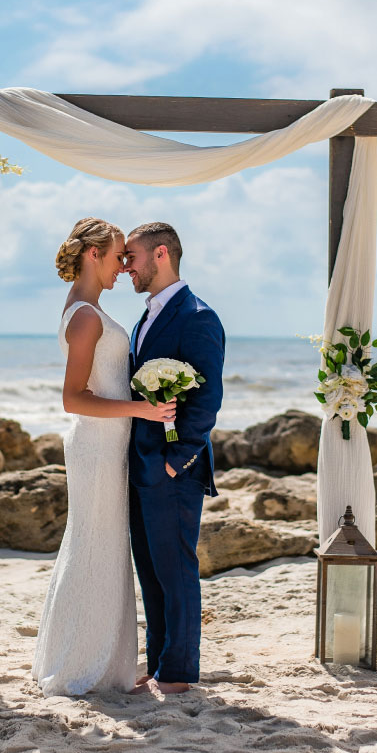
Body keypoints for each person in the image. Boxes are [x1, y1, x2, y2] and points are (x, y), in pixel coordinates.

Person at [32, 217, 176, 696]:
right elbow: (73, 397)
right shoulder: (87, 316)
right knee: (93, 548)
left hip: (109, 446)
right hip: (97, 447)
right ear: (93, 254)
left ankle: (101, 663)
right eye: (118, 256)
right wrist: (144, 409)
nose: (123, 267)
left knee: (101, 547)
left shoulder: (85, 307)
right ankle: (80, 665)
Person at [124, 222, 225, 695]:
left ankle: (180, 671)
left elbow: (207, 403)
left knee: (176, 570)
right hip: (141, 467)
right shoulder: (145, 318)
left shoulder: (198, 317)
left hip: (173, 471)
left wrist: (175, 460)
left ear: (160, 254)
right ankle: (162, 661)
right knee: (150, 570)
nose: (126, 267)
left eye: (132, 258)